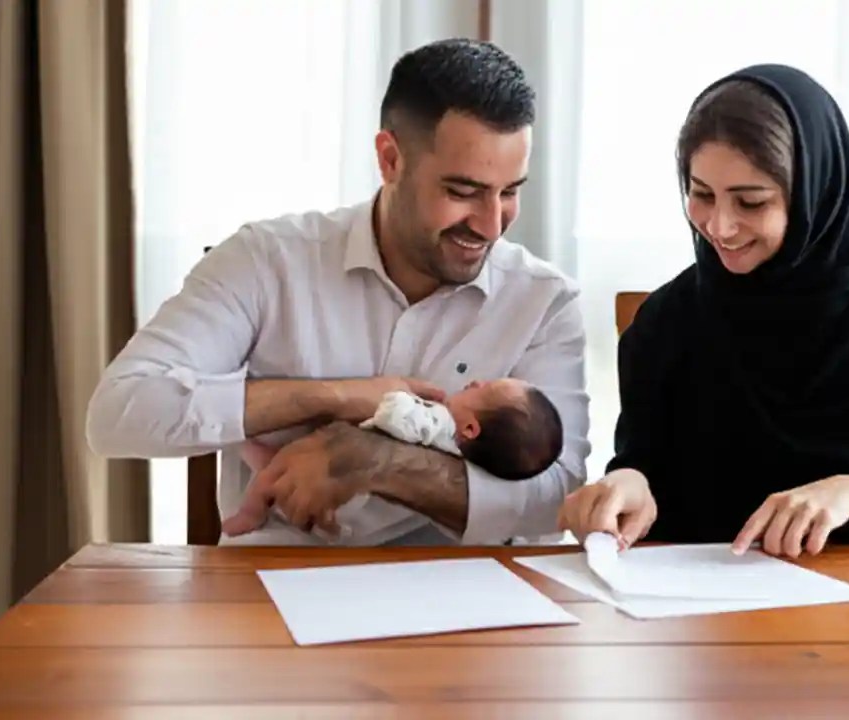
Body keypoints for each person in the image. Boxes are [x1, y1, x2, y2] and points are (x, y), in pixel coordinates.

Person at [86, 38, 590, 546]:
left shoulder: (544, 302)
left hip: (462, 583)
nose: (490, 225)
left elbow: (557, 499)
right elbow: (119, 413)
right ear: (390, 159)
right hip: (274, 573)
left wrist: (378, 462)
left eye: (510, 192)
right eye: (462, 192)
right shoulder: (267, 260)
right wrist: (332, 397)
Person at [557, 64, 849, 558]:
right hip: (707, 601)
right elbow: (644, 468)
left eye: (751, 203)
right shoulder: (670, 320)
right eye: (702, 194)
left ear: (814, 193)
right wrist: (627, 483)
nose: (719, 227)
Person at [225, 378, 564, 536]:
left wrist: (395, 392)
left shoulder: (439, 423)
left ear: (471, 429)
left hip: (345, 484)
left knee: (273, 470)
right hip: (350, 489)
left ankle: (249, 514)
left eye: (483, 390)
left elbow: (395, 413)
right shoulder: (459, 452)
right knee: (280, 464)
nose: (475, 381)